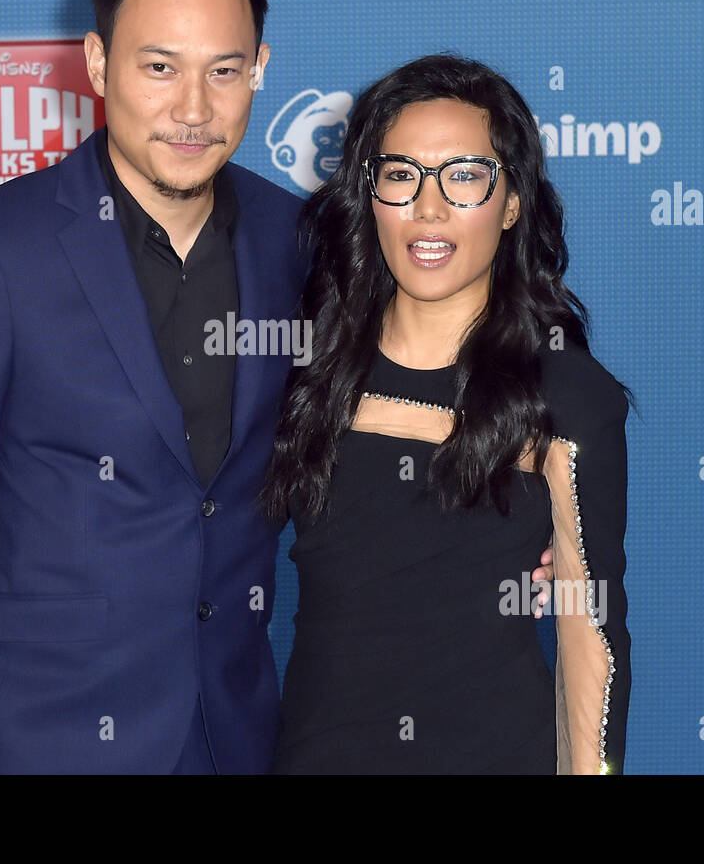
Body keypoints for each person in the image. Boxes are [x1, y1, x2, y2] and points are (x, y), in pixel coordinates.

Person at [0, 0, 555, 774]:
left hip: (240, 739)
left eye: (224, 71)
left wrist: (523, 525)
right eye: (159, 67)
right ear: (97, 65)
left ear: (260, 69)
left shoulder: (303, 244)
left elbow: (408, 388)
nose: (193, 109)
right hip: (44, 745)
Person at [261, 54, 634, 774]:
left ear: (513, 201)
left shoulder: (565, 391)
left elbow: (593, 640)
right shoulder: (305, 370)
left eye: (464, 176)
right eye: (401, 175)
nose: (428, 208)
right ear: (368, 194)